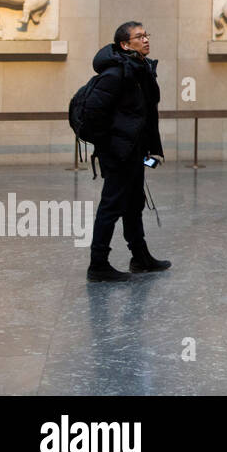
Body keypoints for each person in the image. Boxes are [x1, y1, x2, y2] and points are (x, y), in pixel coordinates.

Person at [86, 22, 172, 282]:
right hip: (120, 154)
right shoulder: (116, 73)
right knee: (111, 207)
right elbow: (93, 113)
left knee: (134, 204)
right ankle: (98, 264)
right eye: (139, 36)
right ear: (125, 44)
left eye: (146, 34)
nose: (145, 39)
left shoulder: (140, 69)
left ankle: (140, 258)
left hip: (134, 152)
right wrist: (112, 147)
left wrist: (144, 149)